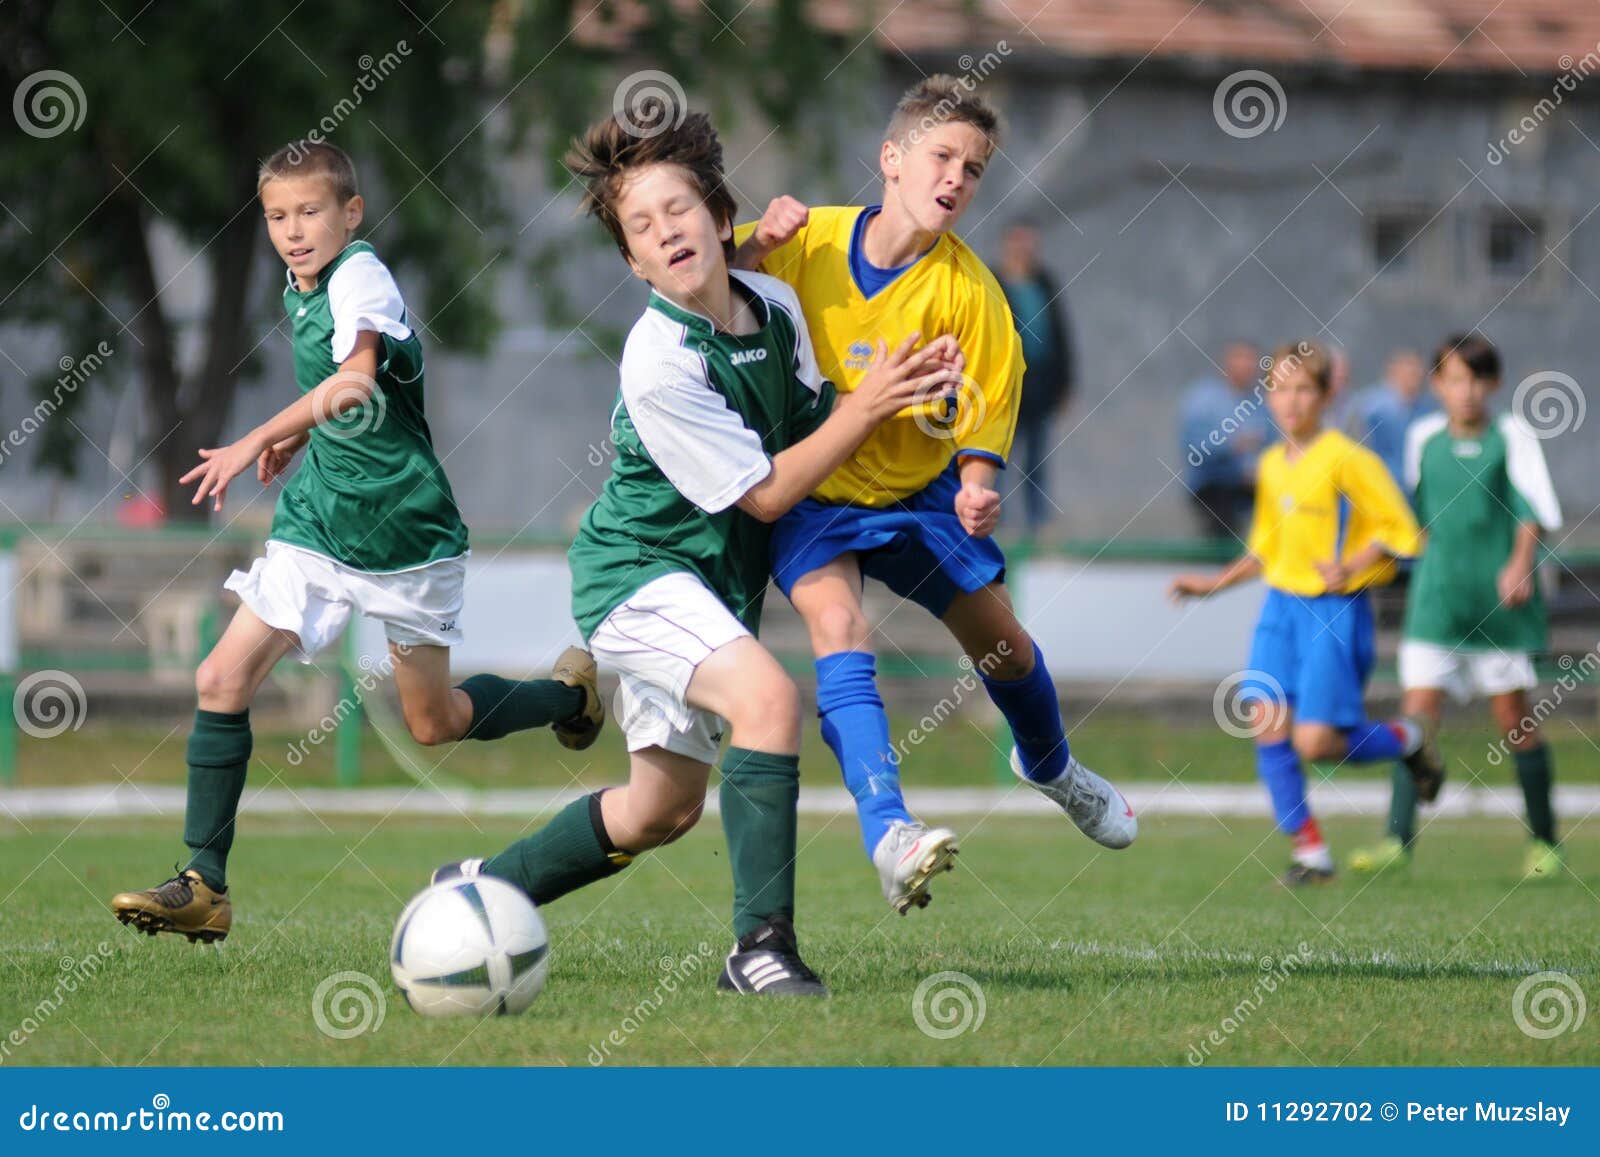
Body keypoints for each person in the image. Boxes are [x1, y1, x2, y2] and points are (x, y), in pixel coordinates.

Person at [432, 107, 963, 994]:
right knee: (769, 700)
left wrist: (907, 400)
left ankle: (482, 892)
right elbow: (766, 491)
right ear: (633, 264)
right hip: (637, 576)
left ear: (722, 218)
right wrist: (869, 406)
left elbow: (815, 434)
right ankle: (760, 949)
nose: (663, 230)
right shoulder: (660, 356)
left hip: (713, 589)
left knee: (660, 810)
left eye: (678, 209)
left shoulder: (778, 306)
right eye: (640, 227)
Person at [111, 143, 604, 943]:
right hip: (317, 522)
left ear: (351, 213)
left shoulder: (360, 275)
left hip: (406, 527)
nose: (293, 230)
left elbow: (356, 383)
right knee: (220, 675)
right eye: (277, 215)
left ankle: (568, 696)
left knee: (433, 722)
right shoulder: (300, 285)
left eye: (311, 212)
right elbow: (341, 401)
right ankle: (204, 883)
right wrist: (300, 444)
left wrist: (255, 438)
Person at [734, 76, 1137, 917]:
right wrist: (750, 248)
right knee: (839, 628)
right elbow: (700, 281)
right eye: (941, 156)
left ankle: (1052, 765)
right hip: (815, 493)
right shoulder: (805, 241)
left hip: (921, 492)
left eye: (975, 168)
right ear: (891, 159)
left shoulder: (974, 295)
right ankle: (890, 831)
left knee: (1008, 651)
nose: (956, 177)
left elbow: (987, 410)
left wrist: (980, 491)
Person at [1168, 340, 1442, 885]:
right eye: (1280, 390)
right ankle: (1311, 854)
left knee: (1316, 744)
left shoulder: (1348, 457)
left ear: (1324, 394)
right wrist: (1211, 585)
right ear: (1266, 396)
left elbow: (1405, 531)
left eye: (1303, 390)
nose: (1290, 403)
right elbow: (1264, 549)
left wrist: (1355, 560)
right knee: (1265, 721)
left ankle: (1408, 741)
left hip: (1333, 614)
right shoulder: (1270, 464)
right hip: (1280, 609)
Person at [1349, 333, 1564, 880]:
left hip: (1497, 608)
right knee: (1416, 719)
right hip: (1436, 605)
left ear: (1491, 383)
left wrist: (1519, 564)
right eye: (1453, 379)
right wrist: (1362, 558)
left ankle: (1545, 845)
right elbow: (1409, 517)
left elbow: (1532, 509)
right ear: (1437, 385)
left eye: (1475, 379)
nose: (1465, 391)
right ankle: (1397, 841)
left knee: (1514, 723)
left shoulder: (1511, 435)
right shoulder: (1422, 436)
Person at [994, 219, 1075, 540]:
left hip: (1041, 386)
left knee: (1037, 459)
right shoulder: (994, 281)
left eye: (1029, 243)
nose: (1023, 249)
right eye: (1018, 242)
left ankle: (1037, 525)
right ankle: (995, 523)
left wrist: (1066, 383)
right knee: (998, 455)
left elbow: (1062, 335)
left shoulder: (1046, 282)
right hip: (1004, 386)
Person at [1178, 342, 1270, 539]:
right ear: (1226, 362)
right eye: (1240, 358)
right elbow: (1194, 448)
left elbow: (1272, 443)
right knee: (1223, 522)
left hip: (1251, 486)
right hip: (1213, 485)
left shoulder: (1261, 404)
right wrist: (1230, 445)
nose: (1245, 365)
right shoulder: (1203, 399)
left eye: (1250, 360)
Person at [1348, 350, 1433, 484]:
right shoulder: (1372, 410)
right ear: (1393, 374)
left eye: (1416, 375)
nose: (1413, 380)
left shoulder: (1425, 409)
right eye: (1408, 375)